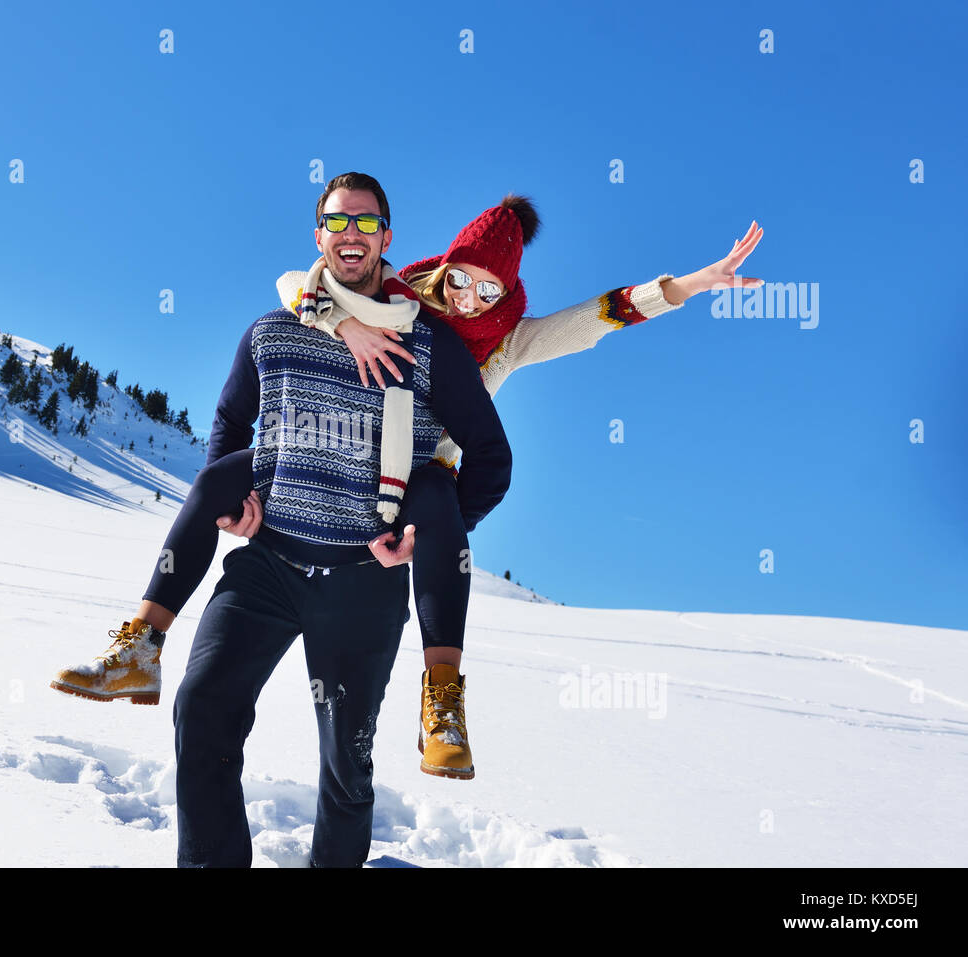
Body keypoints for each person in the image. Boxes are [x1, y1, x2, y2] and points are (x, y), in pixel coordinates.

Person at [52, 180, 763, 784]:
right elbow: (296, 284)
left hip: (423, 472)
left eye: (491, 289)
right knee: (217, 479)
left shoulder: (506, 340)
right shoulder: (393, 295)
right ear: (444, 265)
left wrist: (692, 285)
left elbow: (598, 317)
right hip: (327, 461)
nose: (473, 299)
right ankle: (141, 646)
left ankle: (443, 699)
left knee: (435, 502)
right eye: (463, 278)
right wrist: (341, 320)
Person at [57, 172, 513, 866]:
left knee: (346, 769)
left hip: (363, 582)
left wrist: (433, 534)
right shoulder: (273, 332)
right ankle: (143, 655)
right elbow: (230, 418)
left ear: (388, 238)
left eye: (365, 224)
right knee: (201, 710)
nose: (351, 235)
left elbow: (491, 454)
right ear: (318, 235)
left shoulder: (431, 349)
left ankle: (439, 700)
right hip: (266, 567)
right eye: (337, 222)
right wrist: (238, 509)